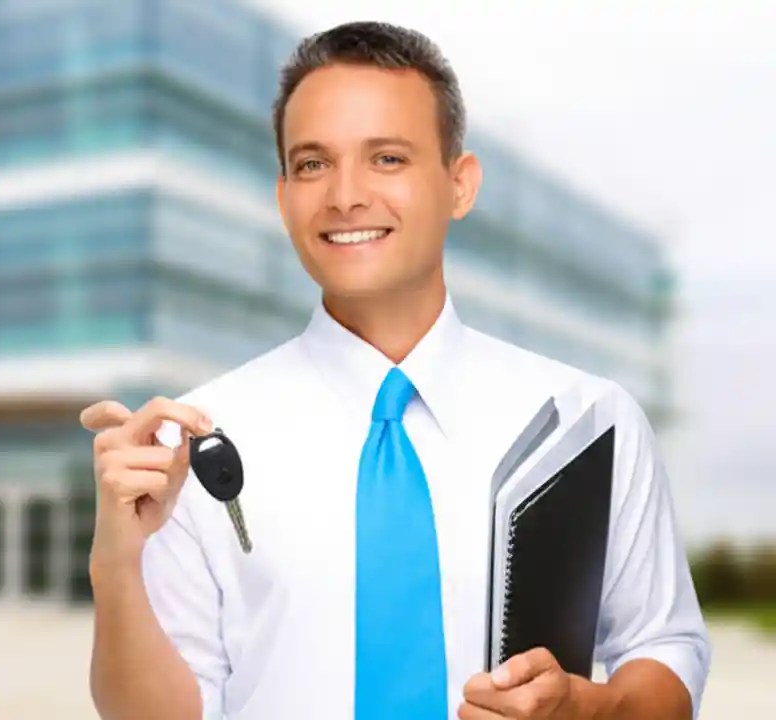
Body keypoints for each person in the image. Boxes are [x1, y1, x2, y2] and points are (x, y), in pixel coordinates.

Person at [81, 20, 710, 720]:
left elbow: (664, 648)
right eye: (313, 164)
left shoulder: (589, 421)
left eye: (386, 158)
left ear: (459, 185)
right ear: (283, 197)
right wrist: (115, 567)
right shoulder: (195, 445)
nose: (345, 195)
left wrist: (591, 711)